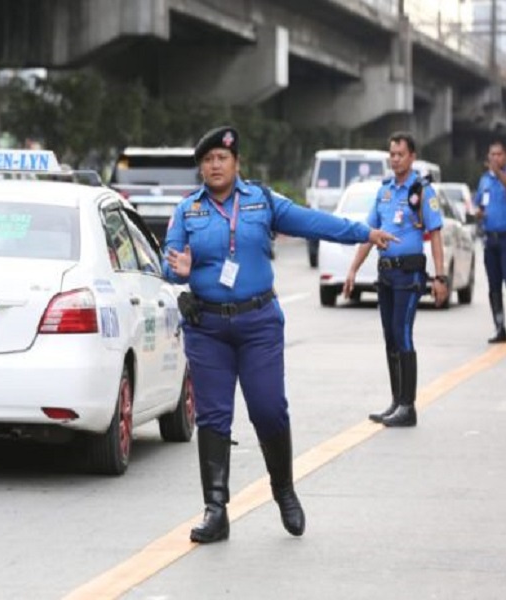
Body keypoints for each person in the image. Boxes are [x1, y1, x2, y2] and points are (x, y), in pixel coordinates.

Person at [162, 125, 397, 544]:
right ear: (201, 167)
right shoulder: (187, 212)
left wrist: (365, 232)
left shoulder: (261, 201)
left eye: (222, 158)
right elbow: (170, 261)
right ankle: (215, 511)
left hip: (258, 324)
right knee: (213, 417)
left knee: (269, 408)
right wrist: (175, 269)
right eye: (208, 160)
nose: (214, 165)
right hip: (207, 327)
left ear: (236, 164)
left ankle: (284, 490)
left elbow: (313, 222)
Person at [344, 131, 448, 429]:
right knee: (390, 336)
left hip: (409, 273)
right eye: (391, 154)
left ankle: (408, 407)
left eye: (400, 154)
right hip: (386, 272)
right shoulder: (385, 191)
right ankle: (396, 401)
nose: (395, 159)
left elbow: (436, 234)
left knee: (403, 333)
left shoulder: (422, 190)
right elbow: (369, 233)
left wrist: (440, 277)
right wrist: (353, 269)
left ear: (412, 156)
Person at [474, 140, 506, 344]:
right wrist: (479, 213)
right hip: (491, 239)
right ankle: (499, 327)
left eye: (499, 154)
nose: (495, 158)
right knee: (494, 285)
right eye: (492, 155)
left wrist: (499, 173)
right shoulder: (484, 180)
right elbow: (480, 204)